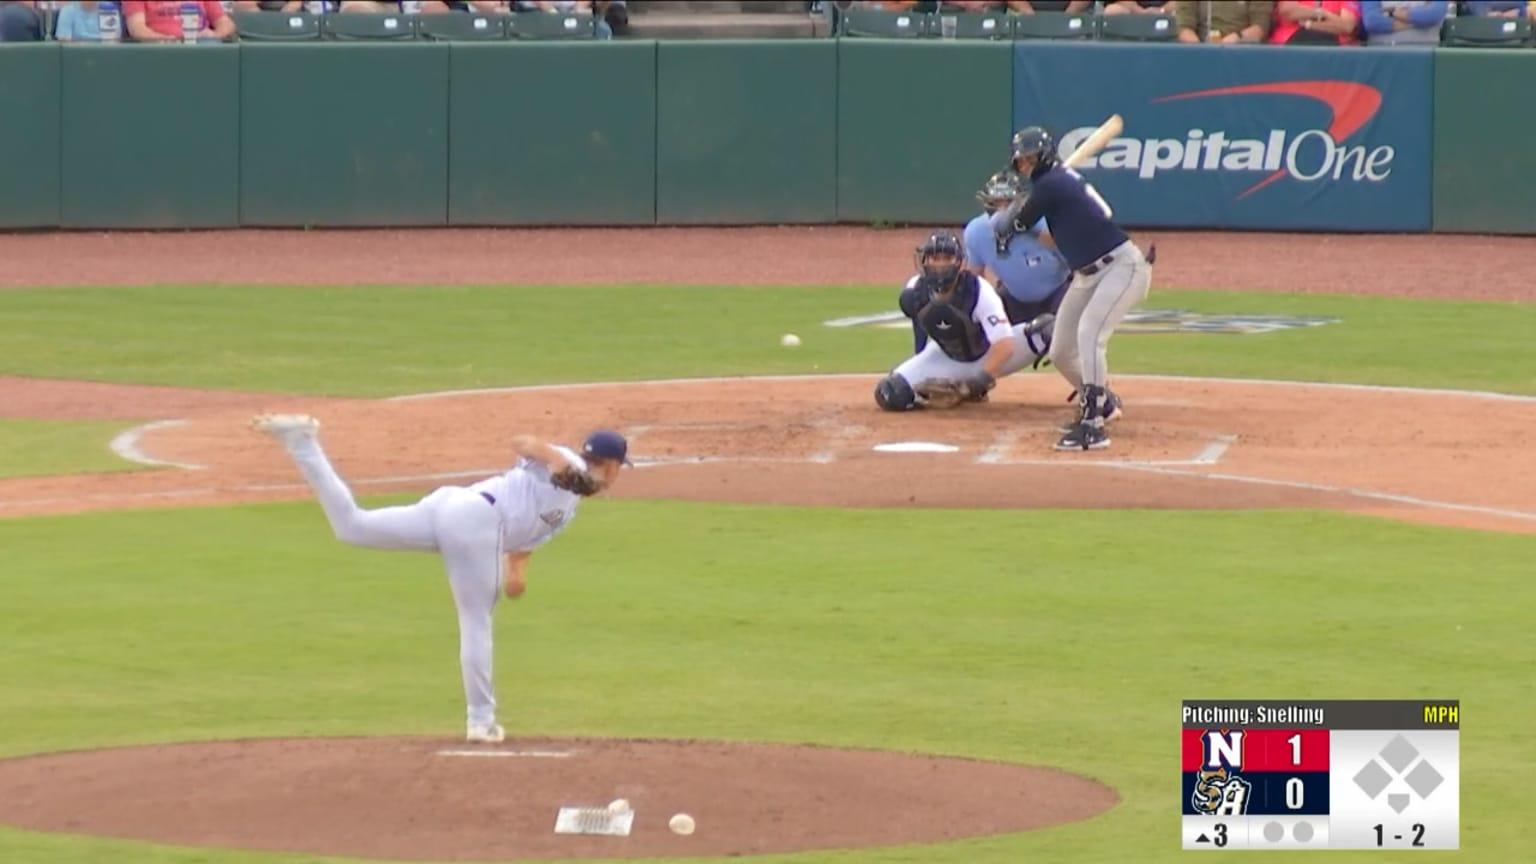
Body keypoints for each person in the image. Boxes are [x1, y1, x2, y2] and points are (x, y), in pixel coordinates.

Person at [251, 413, 630, 743]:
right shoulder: (565, 461)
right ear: (611, 465)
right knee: (476, 620)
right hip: (474, 517)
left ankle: (301, 442)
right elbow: (525, 443)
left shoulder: (570, 506)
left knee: (354, 528)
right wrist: (557, 463)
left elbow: (526, 536)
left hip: (453, 511)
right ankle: (481, 722)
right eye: (617, 469)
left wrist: (516, 571)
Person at [993, 126, 1153, 451]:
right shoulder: (1054, 183)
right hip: (1086, 275)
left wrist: (1012, 219)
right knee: (1062, 349)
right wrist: (1018, 214)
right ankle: (1103, 403)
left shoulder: (1052, 184)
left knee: (1090, 335)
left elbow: (1022, 222)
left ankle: (1092, 424)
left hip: (1120, 267)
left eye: (1029, 159)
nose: (1025, 165)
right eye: (1021, 161)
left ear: (1043, 156)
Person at [874, 232, 1055, 412]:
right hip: (947, 357)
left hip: (989, 355)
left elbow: (1005, 345)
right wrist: (921, 373)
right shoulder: (915, 289)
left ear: (958, 262)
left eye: (947, 258)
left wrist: (975, 385)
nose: (941, 265)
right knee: (891, 393)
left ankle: (1083, 393)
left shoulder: (978, 291)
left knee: (1049, 330)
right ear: (924, 261)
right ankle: (947, 384)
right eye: (935, 258)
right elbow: (919, 330)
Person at [964, 170, 1070, 326]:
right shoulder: (976, 232)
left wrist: (1033, 231)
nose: (1003, 210)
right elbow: (975, 279)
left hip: (1057, 293)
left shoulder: (1043, 221)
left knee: (1062, 340)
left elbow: (1073, 257)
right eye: (996, 203)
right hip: (1015, 298)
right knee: (980, 327)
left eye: (1008, 203)